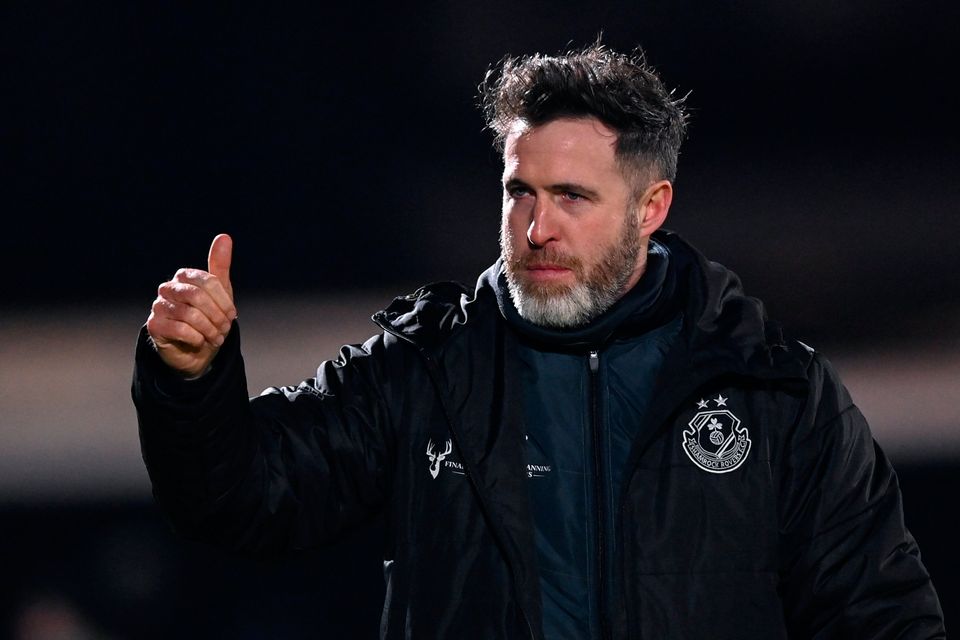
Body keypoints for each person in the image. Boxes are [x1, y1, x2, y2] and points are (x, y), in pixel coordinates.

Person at [132, 43, 945, 639]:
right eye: (518, 192)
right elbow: (242, 498)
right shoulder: (424, 371)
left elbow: (880, 616)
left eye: (571, 197)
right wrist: (190, 378)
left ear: (651, 207)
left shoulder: (777, 393)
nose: (535, 228)